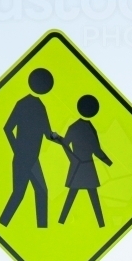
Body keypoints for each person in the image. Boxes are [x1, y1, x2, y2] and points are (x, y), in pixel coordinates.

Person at [0, 67, 58, 229]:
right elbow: (7, 128)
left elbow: (47, 134)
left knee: (40, 192)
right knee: (19, 194)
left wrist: (63, 140)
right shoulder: (27, 104)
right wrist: (17, 149)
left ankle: (41, 229)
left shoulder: (37, 106)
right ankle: (3, 224)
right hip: (24, 159)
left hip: (31, 159)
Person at [54, 94, 112, 227]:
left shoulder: (75, 127)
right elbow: (96, 150)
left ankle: (62, 222)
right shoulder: (87, 128)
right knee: (87, 196)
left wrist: (58, 140)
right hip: (84, 166)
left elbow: (65, 143)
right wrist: (109, 163)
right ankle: (100, 224)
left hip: (81, 166)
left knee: (82, 196)